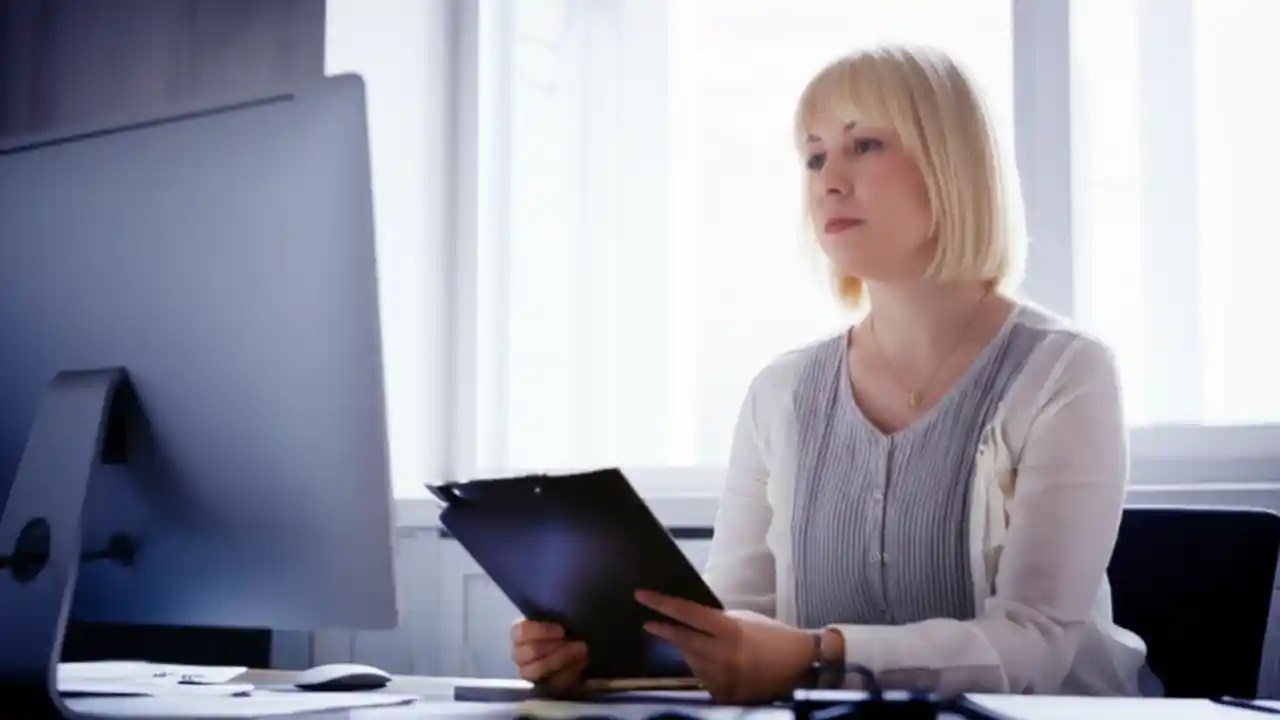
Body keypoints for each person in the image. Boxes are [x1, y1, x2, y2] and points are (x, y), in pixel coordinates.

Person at [509, 44, 1150, 704]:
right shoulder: (780, 395)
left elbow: (1036, 640)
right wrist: (600, 657)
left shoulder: (1067, 372)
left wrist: (818, 655)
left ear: (951, 163)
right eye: (815, 156)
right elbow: (731, 620)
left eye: (863, 145)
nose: (828, 181)